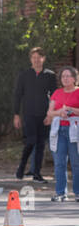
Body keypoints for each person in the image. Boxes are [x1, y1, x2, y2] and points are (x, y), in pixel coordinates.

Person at [14, 47, 56, 182]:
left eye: (39, 57)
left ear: (43, 58)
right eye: (34, 57)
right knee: (31, 141)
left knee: (41, 144)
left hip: (44, 115)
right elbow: (17, 95)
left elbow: (54, 96)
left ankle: (36, 173)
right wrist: (16, 114)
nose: (36, 60)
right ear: (30, 59)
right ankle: (21, 166)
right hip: (29, 114)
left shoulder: (50, 75)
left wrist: (51, 115)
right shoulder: (24, 75)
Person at [44, 66, 79, 201]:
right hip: (59, 131)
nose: (65, 78)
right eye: (63, 76)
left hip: (75, 130)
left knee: (76, 163)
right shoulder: (57, 93)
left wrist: (71, 110)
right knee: (59, 163)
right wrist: (60, 113)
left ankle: (77, 193)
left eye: (68, 76)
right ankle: (60, 193)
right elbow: (50, 112)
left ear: (74, 78)